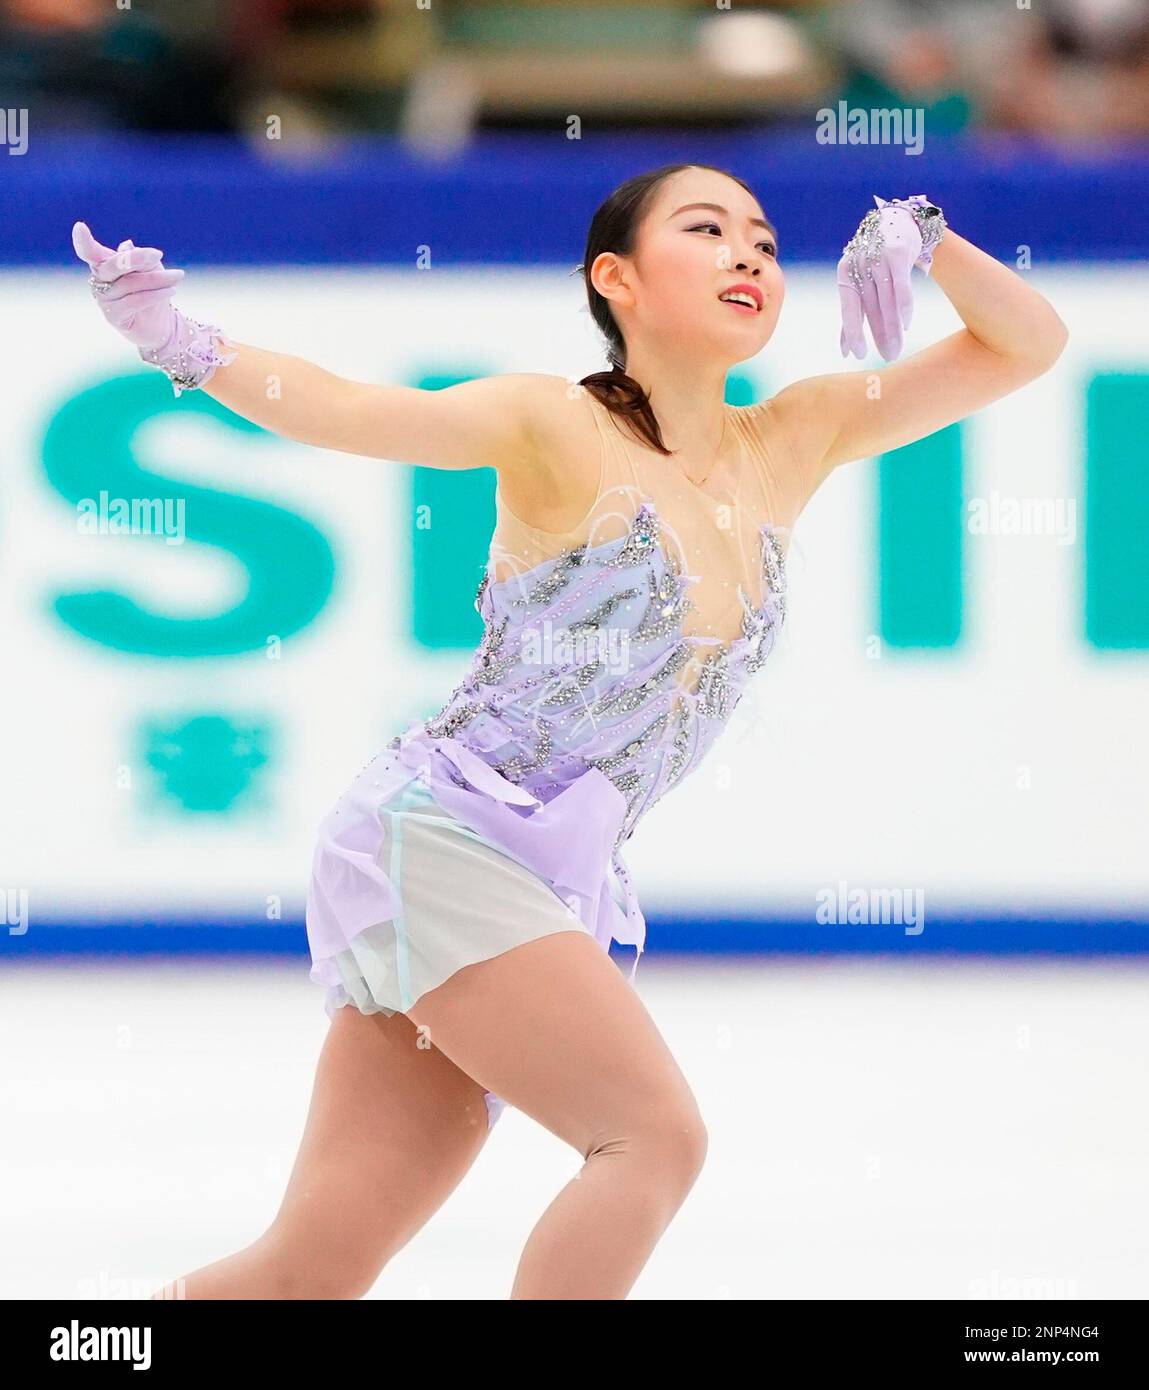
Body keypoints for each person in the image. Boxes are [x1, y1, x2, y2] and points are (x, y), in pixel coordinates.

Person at [72, 161, 1067, 1299]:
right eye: (706, 230)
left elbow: (1026, 342)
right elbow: (347, 408)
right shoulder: (554, 422)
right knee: (654, 1136)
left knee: (313, 1265)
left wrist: (924, 235)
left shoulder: (794, 438)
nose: (748, 253)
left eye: (764, 238)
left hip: (553, 880)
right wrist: (179, 340)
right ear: (618, 279)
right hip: (445, 840)